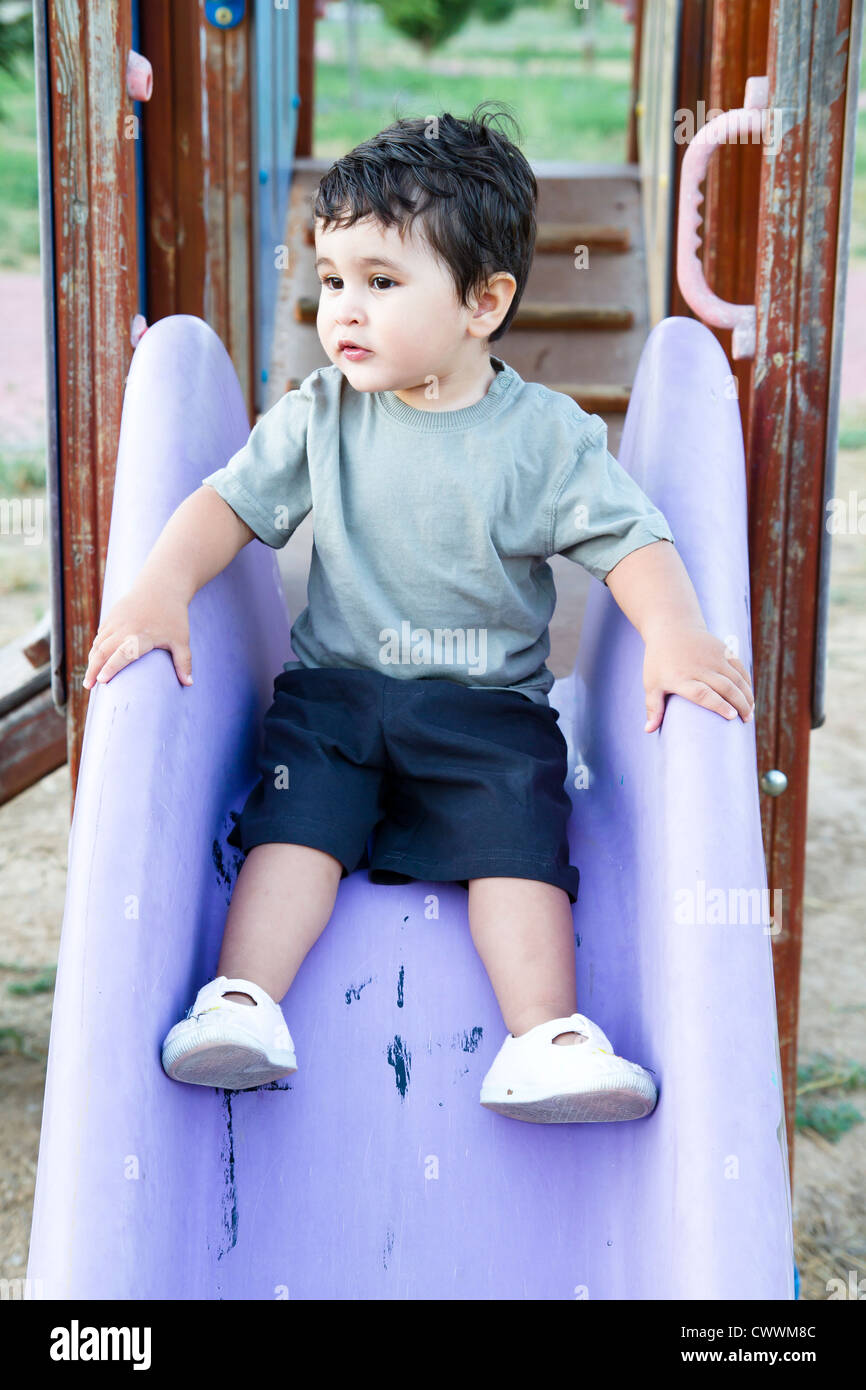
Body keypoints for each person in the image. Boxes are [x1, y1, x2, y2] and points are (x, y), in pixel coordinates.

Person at [82, 105, 754, 1122]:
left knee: (516, 840)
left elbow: (629, 538)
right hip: (336, 694)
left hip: (486, 710)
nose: (342, 311)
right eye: (332, 281)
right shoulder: (321, 413)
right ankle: (244, 999)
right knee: (293, 822)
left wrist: (671, 633)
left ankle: (542, 1036)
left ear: (482, 303)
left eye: (381, 284)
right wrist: (162, 585)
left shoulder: (541, 438)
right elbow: (226, 502)